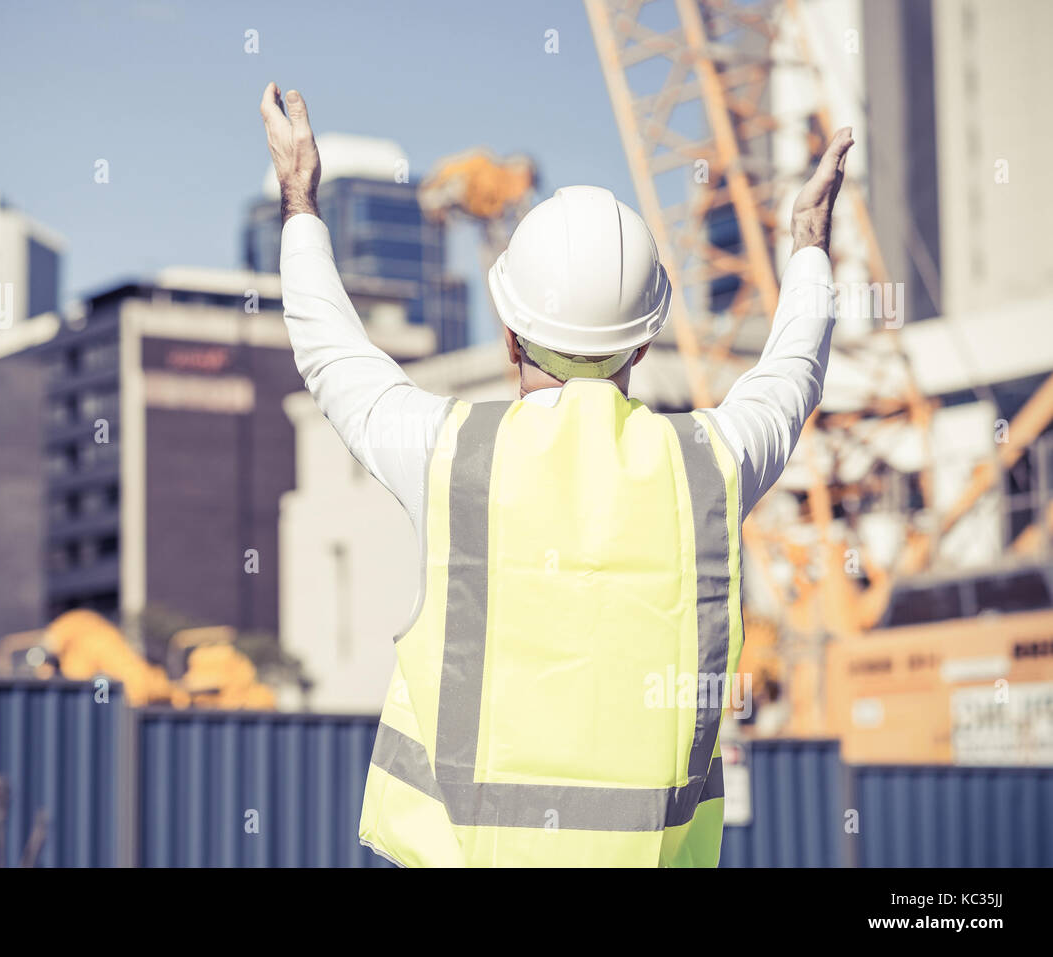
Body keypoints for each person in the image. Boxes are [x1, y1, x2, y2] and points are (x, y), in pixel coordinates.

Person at [260, 82, 851, 867]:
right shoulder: (708, 465)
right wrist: (809, 243)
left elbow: (332, 355)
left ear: (508, 335)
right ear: (643, 346)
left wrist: (299, 202)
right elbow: (792, 376)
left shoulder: (448, 453)